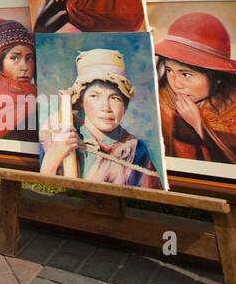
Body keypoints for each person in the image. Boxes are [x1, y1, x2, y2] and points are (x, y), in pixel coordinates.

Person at [155, 12, 236, 168]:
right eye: (169, 70)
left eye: (186, 74)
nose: (175, 84)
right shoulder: (163, 98)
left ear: (217, 77)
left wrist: (199, 126)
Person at [39, 48, 162, 187]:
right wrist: (53, 157)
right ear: (80, 101)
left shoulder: (136, 150)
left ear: (125, 105)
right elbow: (42, 192)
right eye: (94, 96)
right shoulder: (54, 136)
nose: (106, 107)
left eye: (115, 98)